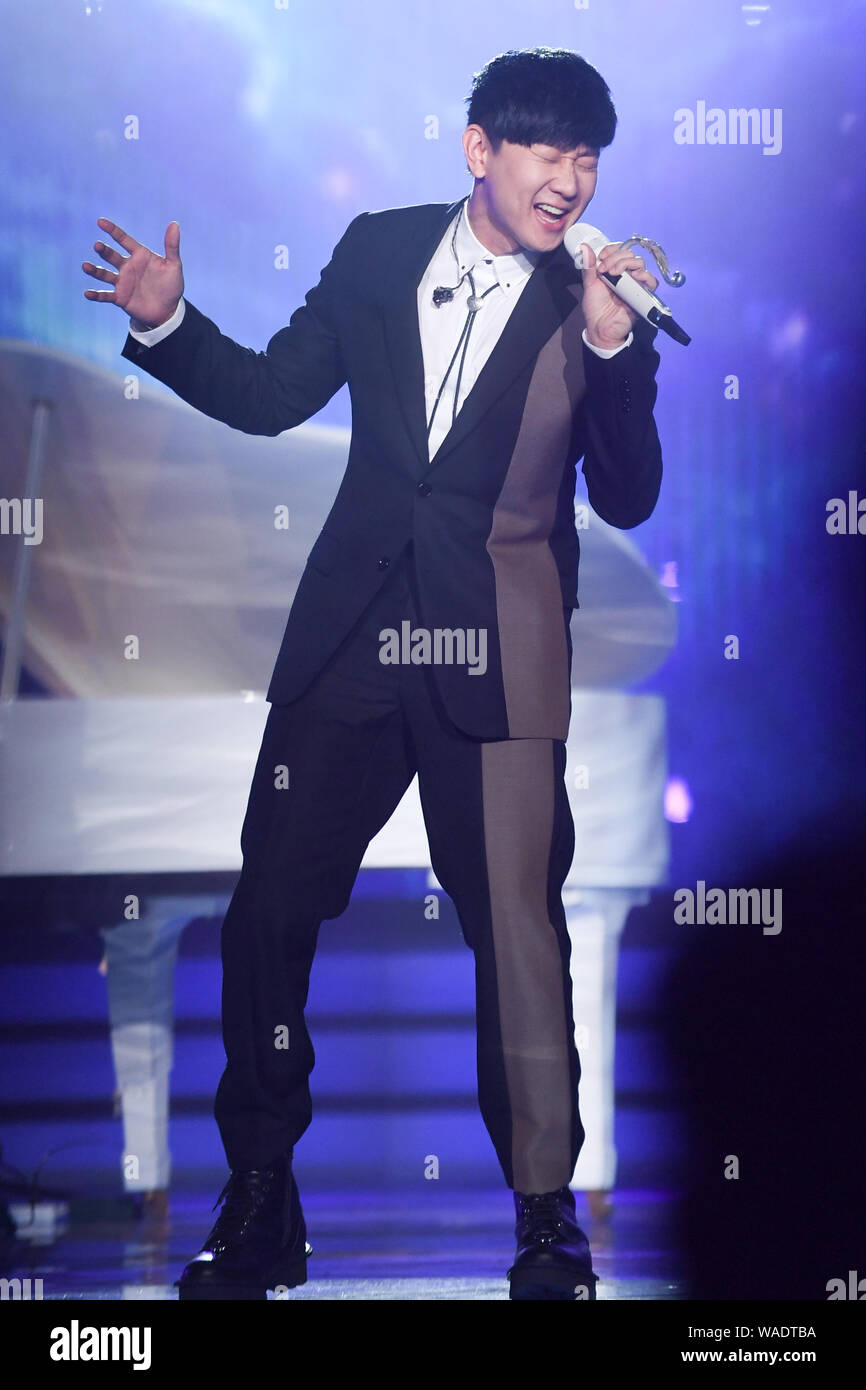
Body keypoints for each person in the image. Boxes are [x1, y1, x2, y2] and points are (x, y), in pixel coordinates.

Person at [82, 46, 664, 1301]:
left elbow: (627, 493)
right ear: (477, 150)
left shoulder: (595, 298)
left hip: (500, 653)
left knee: (517, 932)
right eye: (541, 150)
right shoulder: (376, 249)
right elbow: (268, 398)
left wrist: (618, 352)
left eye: (585, 155)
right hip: (351, 637)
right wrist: (166, 323)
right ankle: (258, 1203)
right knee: (267, 916)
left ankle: (542, 1218)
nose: (566, 179)